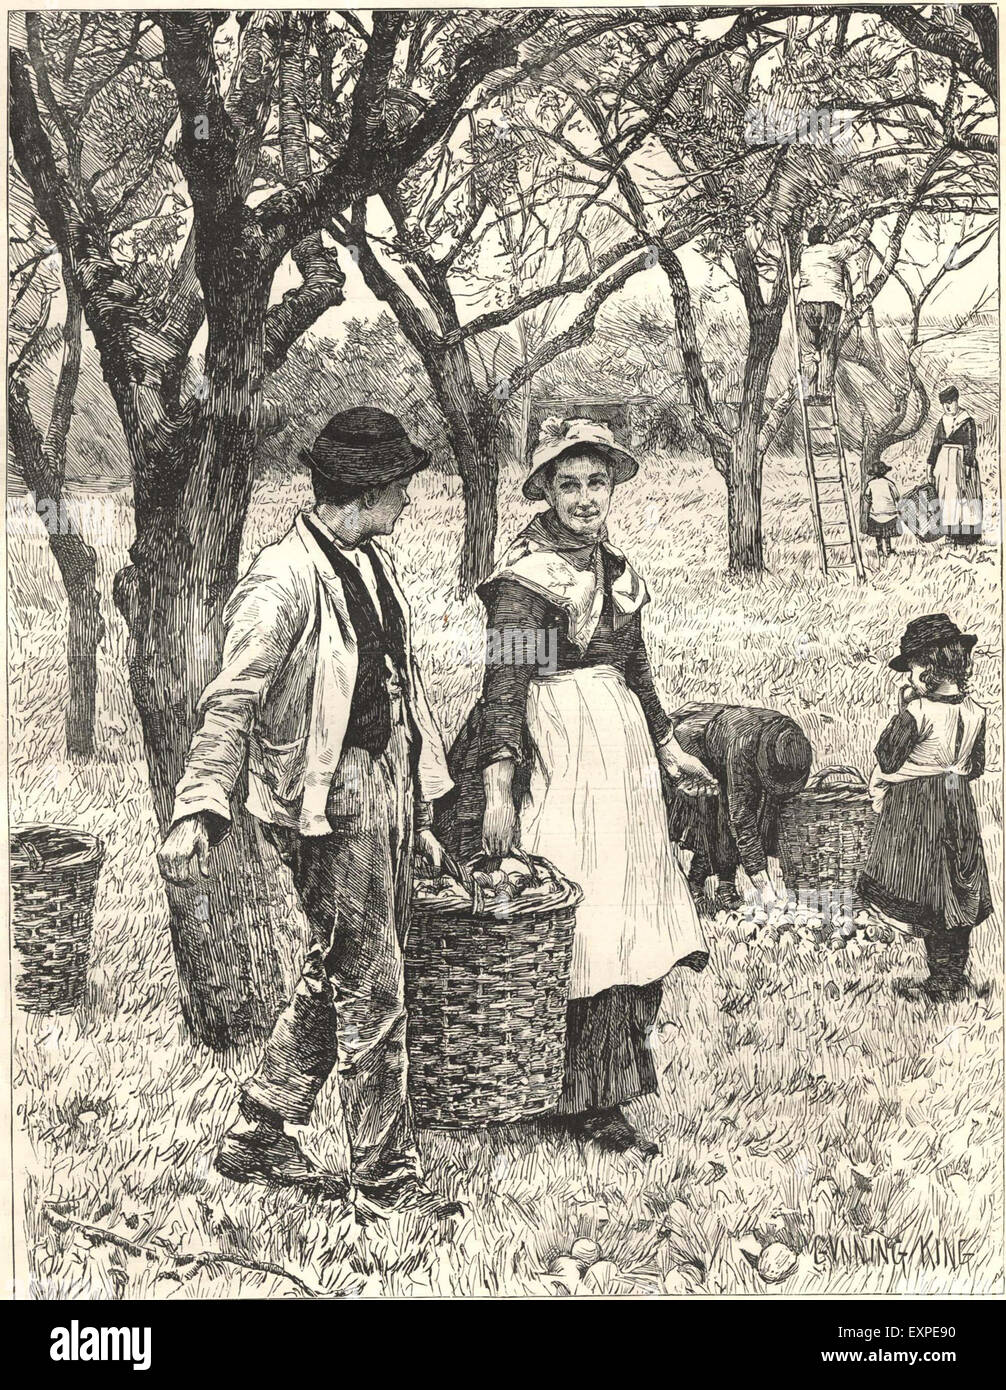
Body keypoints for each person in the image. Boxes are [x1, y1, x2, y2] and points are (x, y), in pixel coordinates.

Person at [157, 407, 457, 1220]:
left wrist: (424, 808)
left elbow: (402, 683)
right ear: (364, 490)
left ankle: (259, 1130)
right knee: (372, 985)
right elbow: (231, 705)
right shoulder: (280, 579)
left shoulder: (371, 563)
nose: (407, 502)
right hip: (322, 802)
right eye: (400, 487)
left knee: (337, 967)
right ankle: (387, 1178)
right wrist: (199, 811)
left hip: (381, 784)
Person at [436, 418, 714, 1158]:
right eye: (569, 485)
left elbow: (638, 667)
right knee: (576, 918)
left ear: (612, 486)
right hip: (552, 746)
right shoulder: (528, 581)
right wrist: (498, 782)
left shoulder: (617, 571)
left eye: (596, 483)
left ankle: (607, 1088)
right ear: (548, 493)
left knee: (626, 913)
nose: (585, 498)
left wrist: (666, 744)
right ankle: (565, 1095)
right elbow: (504, 684)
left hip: (618, 752)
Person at [858, 614, 991, 1000]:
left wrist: (904, 707)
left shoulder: (917, 713)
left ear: (929, 666)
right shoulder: (976, 712)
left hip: (921, 807)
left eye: (914, 665)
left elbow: (886, 758)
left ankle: (941, 983)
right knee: (956, 886)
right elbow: (976, 767)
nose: (911, 672)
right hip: (957, 799)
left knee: (928, 887)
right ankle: (951, 975)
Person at [665, 703, 813, 912]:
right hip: (691, 748)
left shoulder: (789, 739)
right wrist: (767, 893)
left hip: (723, 746)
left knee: (731, 818)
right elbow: (741, 818)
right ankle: (695, 887)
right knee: (707, 822)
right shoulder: (744, 746)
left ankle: (725, 888)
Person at [796, 216, 873, 401]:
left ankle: (807, 391)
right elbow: (855, 243)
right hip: (829, 305)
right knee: (827, 349)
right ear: (822, 237)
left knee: (807, 351)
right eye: (827, 234)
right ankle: (823, 391)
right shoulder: (832, 250)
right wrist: (867, 223)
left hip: (806, 305)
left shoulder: (804, 254)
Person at [927, 386, 983, 547]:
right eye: (944, 404)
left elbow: (971, 445)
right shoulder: (942, 421)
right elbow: (936, 444)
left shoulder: (967, 420)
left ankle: (968, 536)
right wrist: (930, 464)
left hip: (962, 464)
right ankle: (950, 534)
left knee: (965, 498)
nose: (947, 407)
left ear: (956, 401)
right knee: (946, 498)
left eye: (950, 403)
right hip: (944, 465)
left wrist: (967, 464)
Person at [863, 459, 901, 563]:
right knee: (886, 534)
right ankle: (888, 550)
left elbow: (867, 497)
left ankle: (879, 550)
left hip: (876, 514)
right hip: (890, 514)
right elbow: (897, 496)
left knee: (878, 534)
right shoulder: (889, 483)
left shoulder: (870, 484)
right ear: (884, 472)